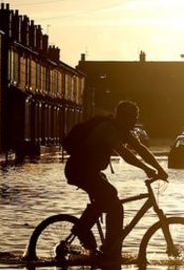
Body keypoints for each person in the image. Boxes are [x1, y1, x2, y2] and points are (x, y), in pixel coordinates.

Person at [64, 101, 168, 261]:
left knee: (111, 201)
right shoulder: (107, 128)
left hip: (90, 171)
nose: (135, 121)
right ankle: (96, 240)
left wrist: (160, 169)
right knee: (112, 198)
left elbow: (141, 149)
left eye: (136, 117)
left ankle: (110, 248)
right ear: (124, 117)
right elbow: (125, 154)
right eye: (133, 117)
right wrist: (146, 169)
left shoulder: (123, 130)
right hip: (79, 170)